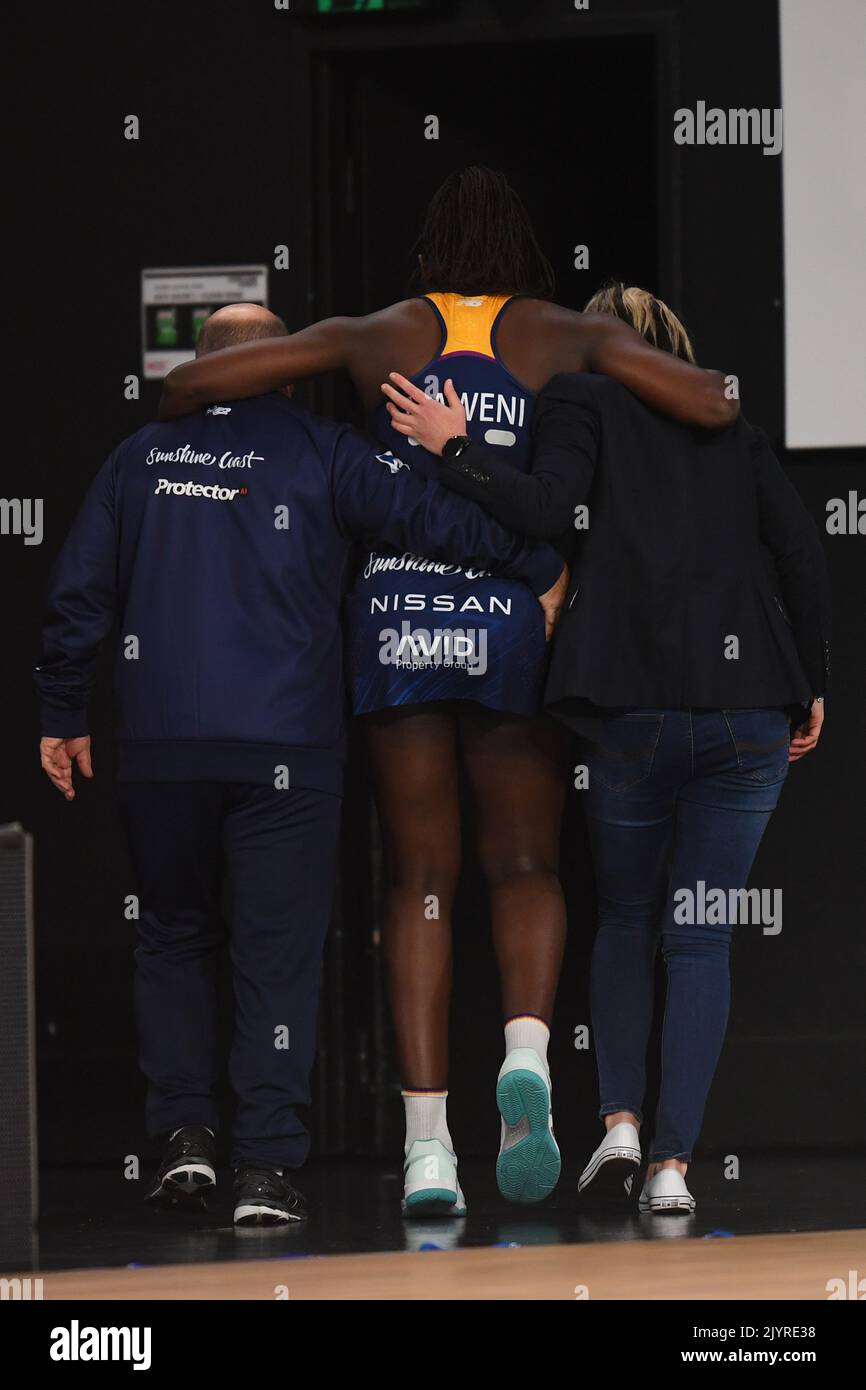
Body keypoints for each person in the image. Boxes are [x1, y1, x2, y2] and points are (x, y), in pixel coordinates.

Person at [157, 169, 739, 1215]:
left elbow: (195, 386)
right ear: (521, 255)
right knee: (523, 863)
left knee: (419, 876)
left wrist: (212, 404)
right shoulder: (561, 335)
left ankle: (427, 1145)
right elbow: (709, 398)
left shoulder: (378, 331)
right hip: (518, 618)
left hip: (397, 621)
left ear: (427, 254)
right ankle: (527, 1055)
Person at [35, 304, 567, 1227]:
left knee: (171, 937)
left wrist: (61, 710)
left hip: (163, 749)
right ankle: (267, 1173)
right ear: (285, 370)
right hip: (284, 750)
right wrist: (537, 563)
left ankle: (186, 1144)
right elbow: (431, 519)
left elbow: (79, 590)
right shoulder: (324, 451)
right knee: (274, 956)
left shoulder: (136, 459)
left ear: (203, 370)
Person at [382, 282, 831, 1214]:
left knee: (626, 917)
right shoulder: (730, 423)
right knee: (701, 938)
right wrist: (811, 677)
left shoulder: (580, 399)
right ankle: (672, 1171)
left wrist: (452, 446)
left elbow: (544, 510)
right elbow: (802, 550)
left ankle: (619, 1124)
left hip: (628, 708)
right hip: (748, 708)